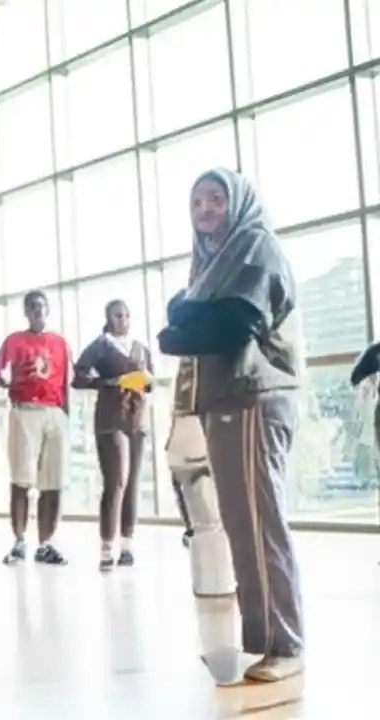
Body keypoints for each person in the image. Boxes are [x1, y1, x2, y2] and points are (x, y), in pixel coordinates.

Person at [158, 167, 304, 684]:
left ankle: (287, 641)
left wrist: (181, 322)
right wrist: (183, 320)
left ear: (237, 202)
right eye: (197, 203)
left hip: (256, 397)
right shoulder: (213, 265)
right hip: (226, 400)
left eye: (216, 199)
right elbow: (185, 322)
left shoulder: (254, 246)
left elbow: (230, 324)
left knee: (262, 522)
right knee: (240, 524)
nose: (205, 211)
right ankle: (263, 638)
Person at [72, 299, 153, 571]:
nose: (123, 320)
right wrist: (110, 382)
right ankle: (106, 546)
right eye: (118, 316)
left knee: (132, 482)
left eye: (127, 315)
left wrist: (144, 382)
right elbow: (78, 378)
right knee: (116, 480)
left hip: (136, 418)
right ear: (109, 318)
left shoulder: (141, 348)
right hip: (110, 418)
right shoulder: (101, 345)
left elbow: (149, 382)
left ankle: (127, 544)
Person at [0, 290, 71, 567]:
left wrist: (65, 415)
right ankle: (19, 540)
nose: (37, 311)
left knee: (54, 482)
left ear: (48, 309)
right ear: (26, 312)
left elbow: (65, 381)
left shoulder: (60, 342)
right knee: (22, 479)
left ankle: (46, 543)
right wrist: (6, 383)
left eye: (41, 306)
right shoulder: (14, 341)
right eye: (32, 307)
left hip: (54, 412)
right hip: (25, 410)